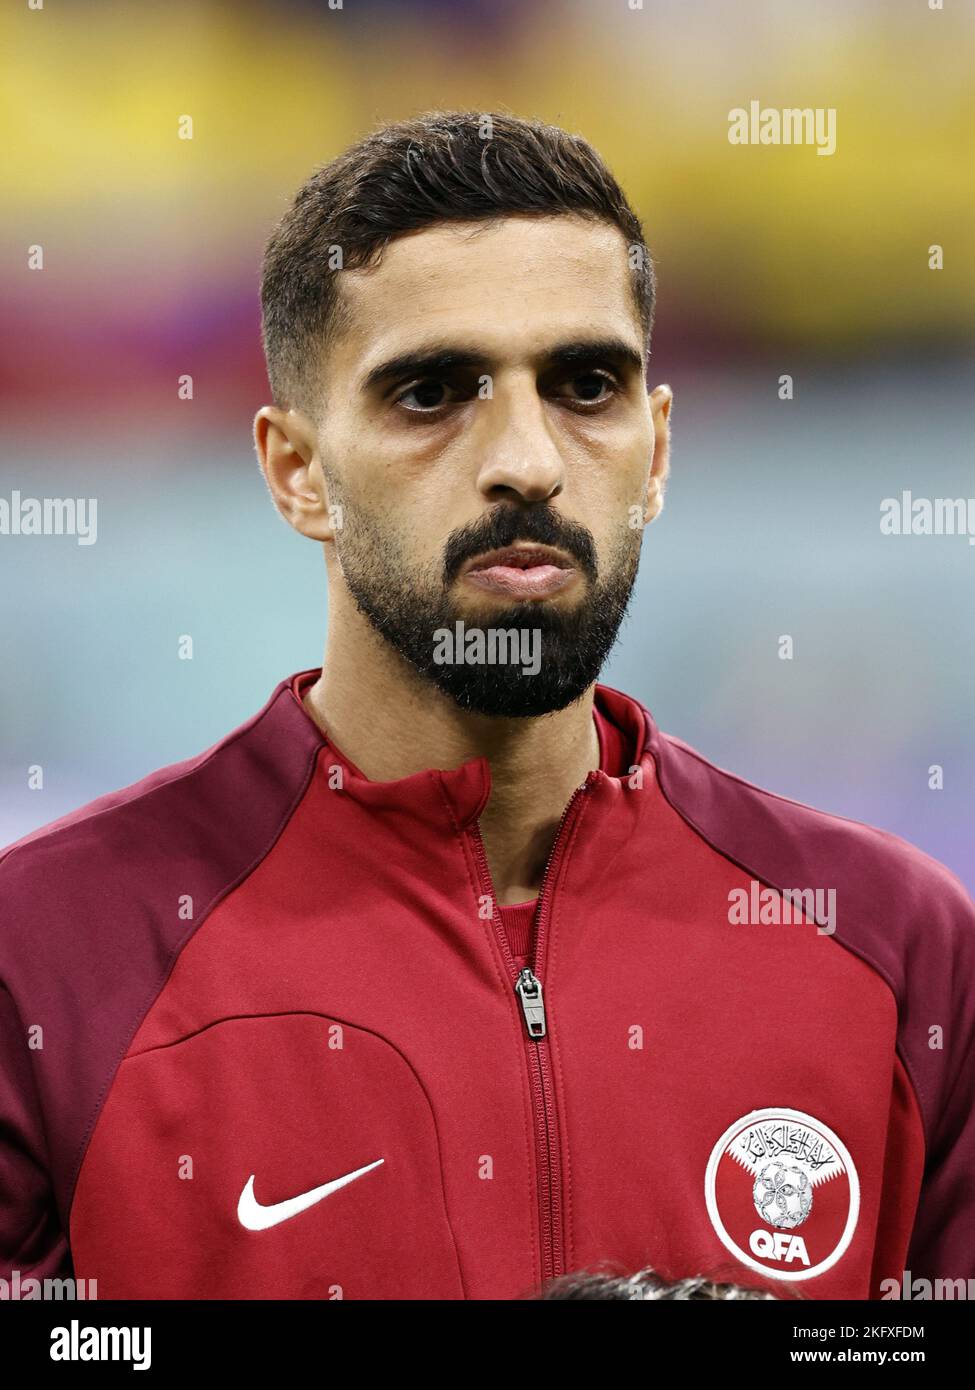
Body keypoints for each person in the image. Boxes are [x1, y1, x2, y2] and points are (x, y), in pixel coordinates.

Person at [1, 111, 972, 1301]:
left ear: (656, 453)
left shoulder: (898, 947)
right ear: (297, 472)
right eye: (431, 392)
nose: (529, 459)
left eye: (585, 384)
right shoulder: (46, 962)